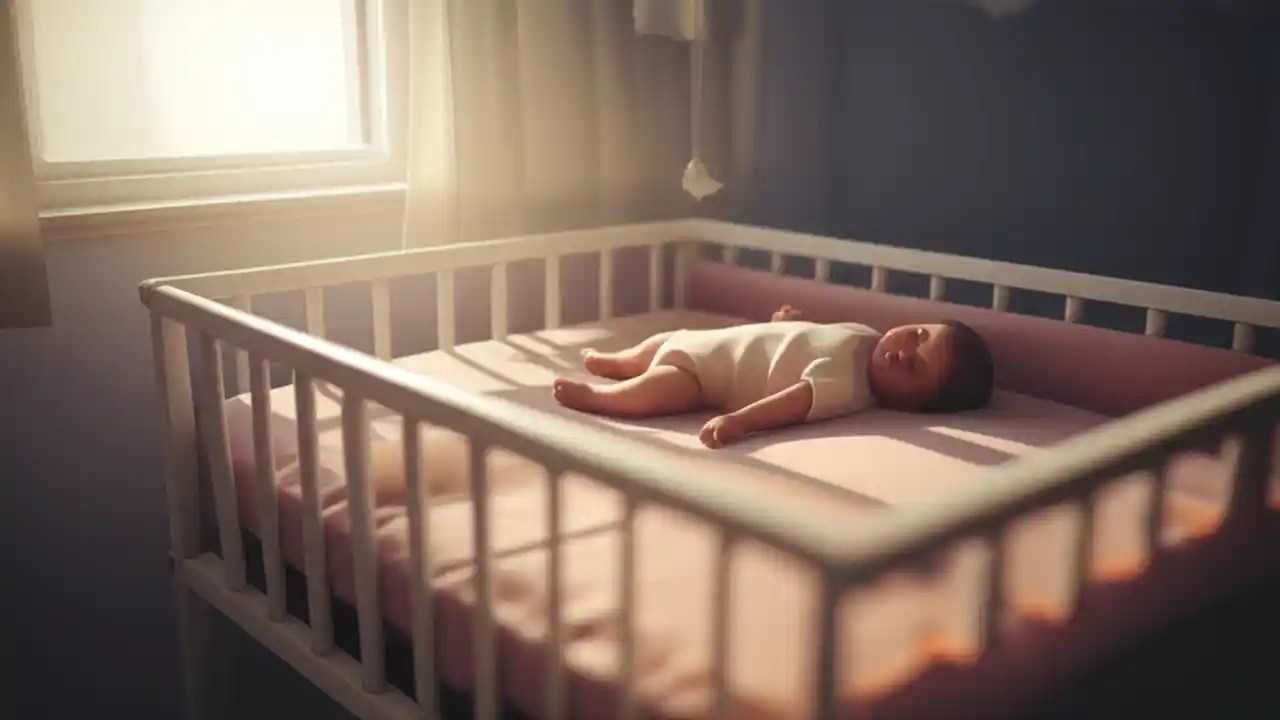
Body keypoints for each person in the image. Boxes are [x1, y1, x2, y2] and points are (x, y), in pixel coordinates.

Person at [552, 303, 995, 448]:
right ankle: (619, 361)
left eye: (915, 367)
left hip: (706, 377)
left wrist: (741, 421)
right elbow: (816, 334)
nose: (903, 350)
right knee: (661, 341)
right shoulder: (866, 335)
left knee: (660, 386)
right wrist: (790, 319)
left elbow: (795, 401)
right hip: (713, 341)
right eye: (917, 334)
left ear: (911, 405)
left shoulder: (849, 387)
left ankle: (603, 398)